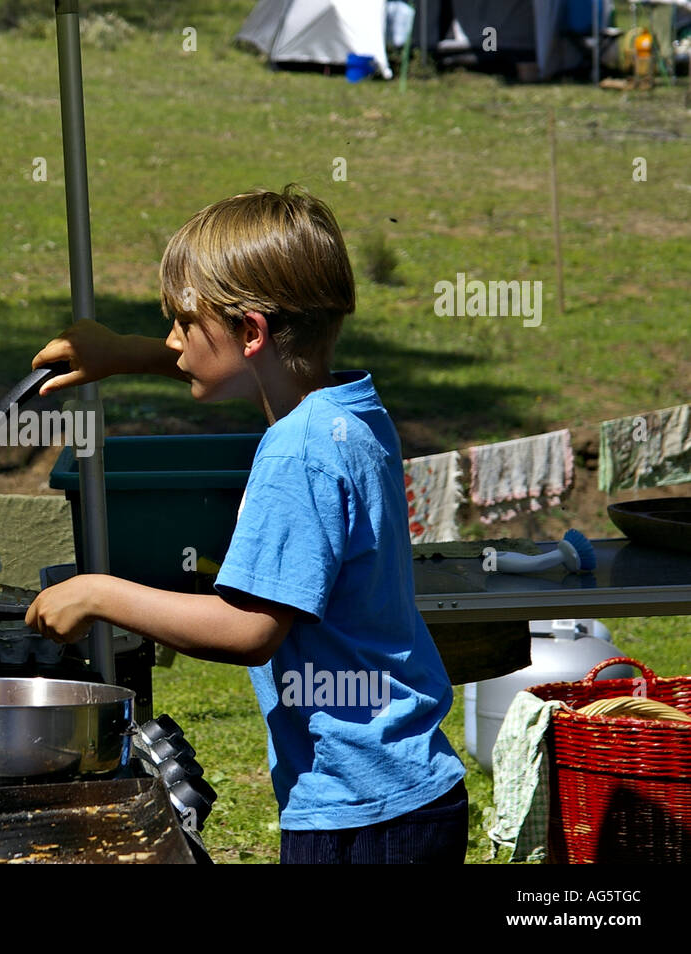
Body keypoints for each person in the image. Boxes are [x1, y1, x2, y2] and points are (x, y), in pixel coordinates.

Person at [25, 185, 467, 864]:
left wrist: (98, 593)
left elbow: (249, 630)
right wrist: (122, 354)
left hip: (359, 816)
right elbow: (244, 368)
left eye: (181, 322)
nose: (174, 341)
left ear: (253, 330)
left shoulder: (296, 453)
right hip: (405, 789)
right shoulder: (346, 409)